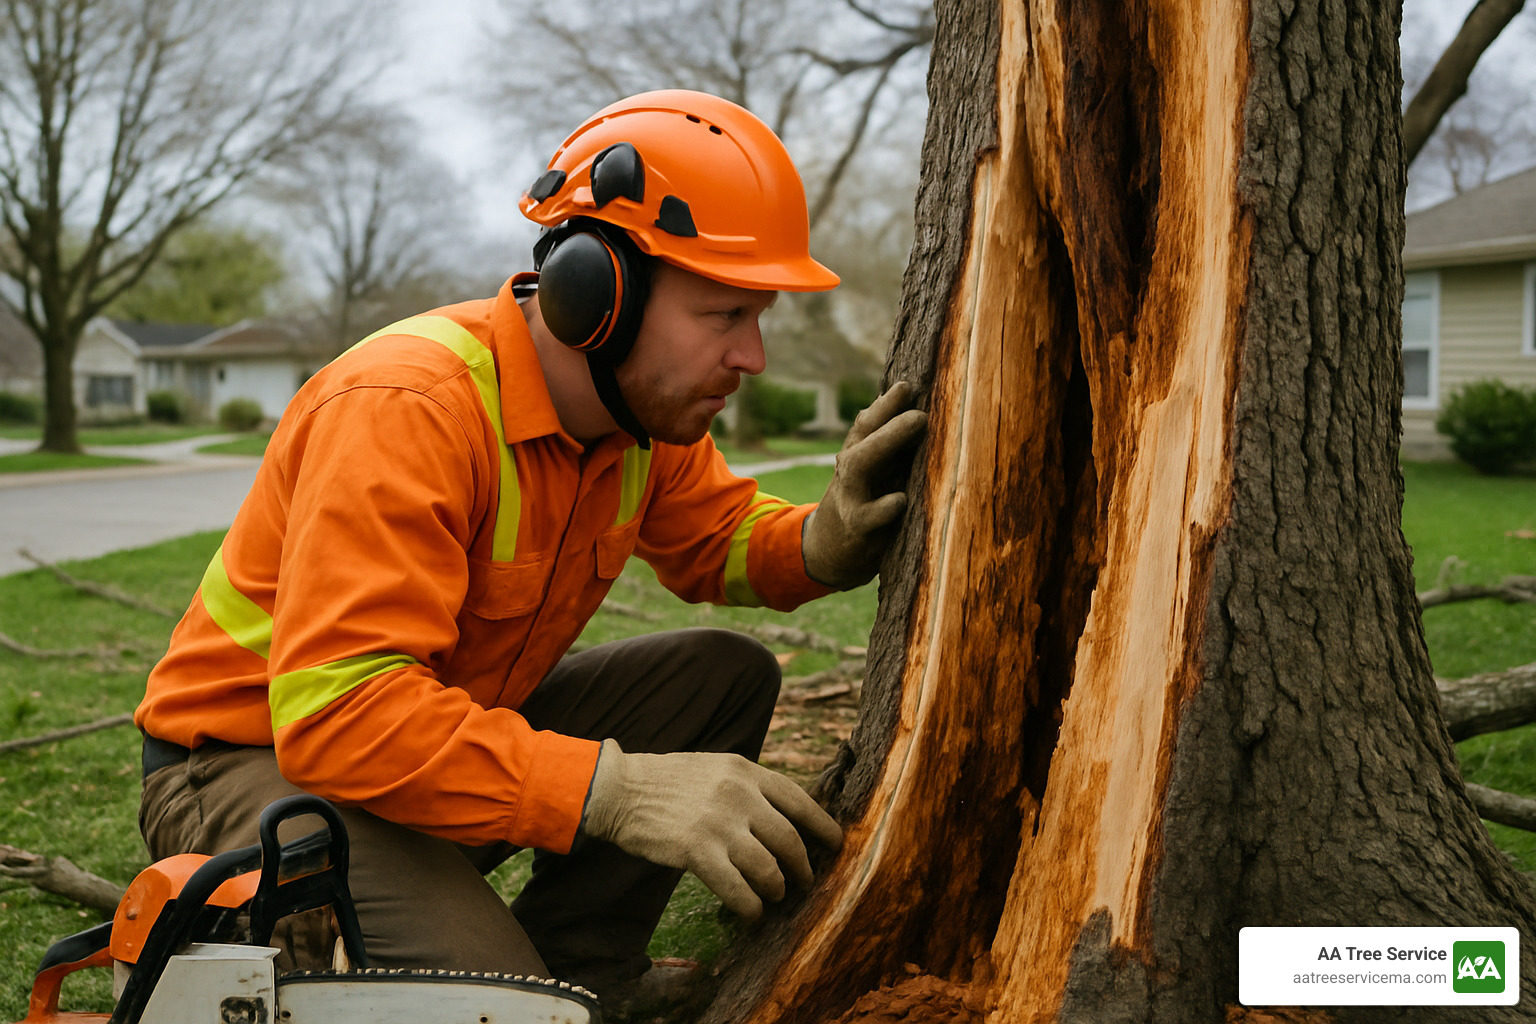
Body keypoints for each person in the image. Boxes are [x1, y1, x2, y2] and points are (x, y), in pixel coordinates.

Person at [133, 89, 926, 1005]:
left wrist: (825, 538)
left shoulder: (641, 422)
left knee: (721, 676)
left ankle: (586, 973)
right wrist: (621, 791)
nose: (752, 357)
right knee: (504, 1003)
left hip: (425, 739)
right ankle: (478, 972)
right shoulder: (409, 409)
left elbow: (723, 540)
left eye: (758, 320)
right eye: (724, 316)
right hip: (244, 762)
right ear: (598, 294)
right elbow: (340, 714)